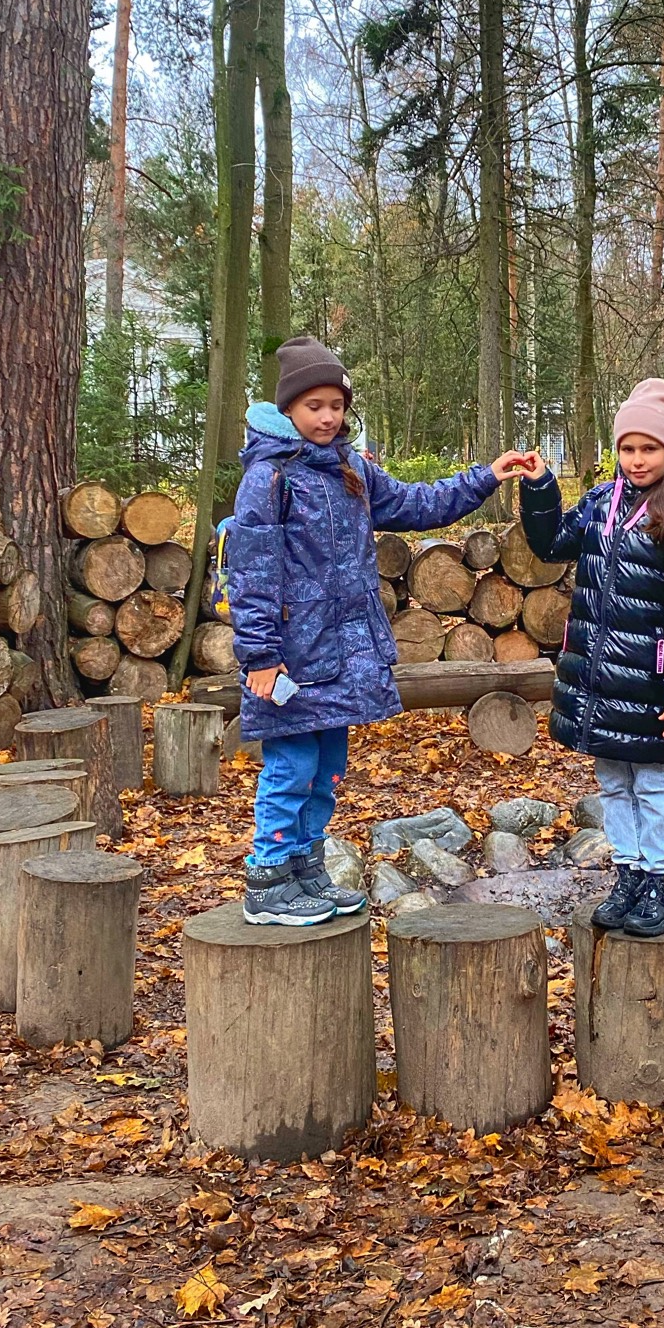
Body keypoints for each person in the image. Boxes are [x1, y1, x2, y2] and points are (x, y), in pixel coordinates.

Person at [227, 334, 532, 925]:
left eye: (336, 405)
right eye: (314, 406)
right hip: (291, 657)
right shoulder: (268, 480)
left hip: (343, 656)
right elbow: (254, 576)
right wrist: (260, 656)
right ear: (288, 408)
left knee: (326, 771)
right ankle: (268, 880)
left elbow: (422, 504)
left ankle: (306, 866)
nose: (328, 416)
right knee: (289, 769)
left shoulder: (353, 471)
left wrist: (488, 475)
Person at [518, 379, 664, 936]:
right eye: (627, 448)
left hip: (652, 685)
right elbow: (550, 544)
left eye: (648, 449)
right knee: (613, 781)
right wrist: (539, 488)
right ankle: (629, 873)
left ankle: (661, 881)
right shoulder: (599, 504)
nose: (636, 460)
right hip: (596, 681)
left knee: (653, 784)